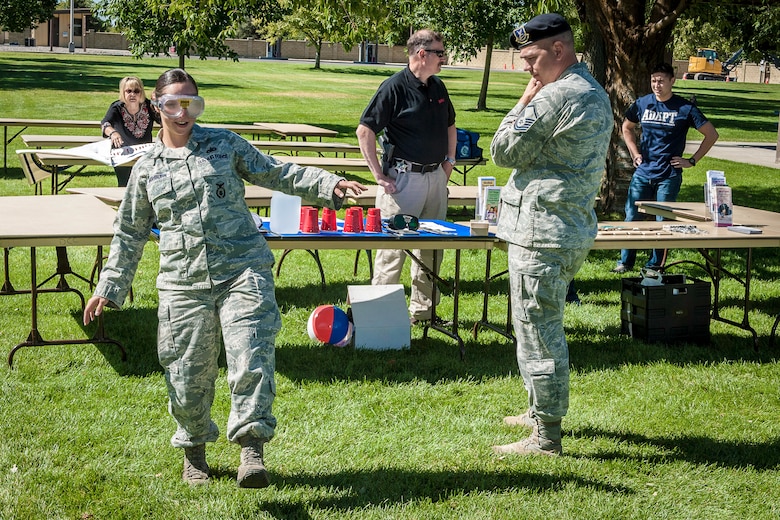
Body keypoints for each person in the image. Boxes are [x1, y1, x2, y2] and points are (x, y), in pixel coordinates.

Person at [83, 68, 366, 487]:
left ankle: (252, 450)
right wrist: (109, 286)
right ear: (156, 105)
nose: (183, 113)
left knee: (251, 356)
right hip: (183, 281)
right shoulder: (147, 168)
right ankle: (194, 452)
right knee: (186, 372)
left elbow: (275, 171)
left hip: (241, 270)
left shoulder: (223, 144)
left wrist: (328, 183)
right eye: (173, 104)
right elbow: (130, 231)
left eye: (192, 103)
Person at [489, 13, 613, 456]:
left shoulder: (556, 95)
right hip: (566, 227)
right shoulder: (593, 91)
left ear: (558, 50)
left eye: (531, 58)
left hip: (541, 232)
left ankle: (545, 437)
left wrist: (524, 100)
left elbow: (502, 150)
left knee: (538, 332)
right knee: (535, 327)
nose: (527, 68)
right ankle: (537, 409)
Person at [356, 29, 457, 326]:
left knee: (432, 249)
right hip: (403, 182)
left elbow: (451, 125)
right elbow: (365, 131)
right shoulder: (393, 87)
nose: (444, 58)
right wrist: (378, 175)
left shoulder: (438, 87)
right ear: (421, 54)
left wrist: (449, 162)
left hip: (435, 179)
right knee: (392, 251)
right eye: (440, 53)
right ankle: (380, 320)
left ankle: (424, 315)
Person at [613, 62, 719, 273]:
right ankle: (625, 262)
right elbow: (626, 127)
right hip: (643, 172)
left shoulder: (685, 108)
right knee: (632, 216)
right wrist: (635, 153)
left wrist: (691, 160)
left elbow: (711, 134)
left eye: (661, 80)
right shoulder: (643, 104)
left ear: (672, 81)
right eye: (653, 80)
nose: (657, 84)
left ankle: (655, 265)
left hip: (668, 175)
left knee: (664, 220)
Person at [101, 76, 161, 187]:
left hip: (144, 155)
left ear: (141, 92)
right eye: (128, 91)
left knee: (144, 185)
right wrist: (113, 133)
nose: (132, 94)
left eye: (136, 91)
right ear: (123, 92)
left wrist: (158, 109)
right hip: (122, 154)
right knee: (124, 185)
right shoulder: (116, 108)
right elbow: (105, 124)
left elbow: (163, 121)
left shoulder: (148, 106)